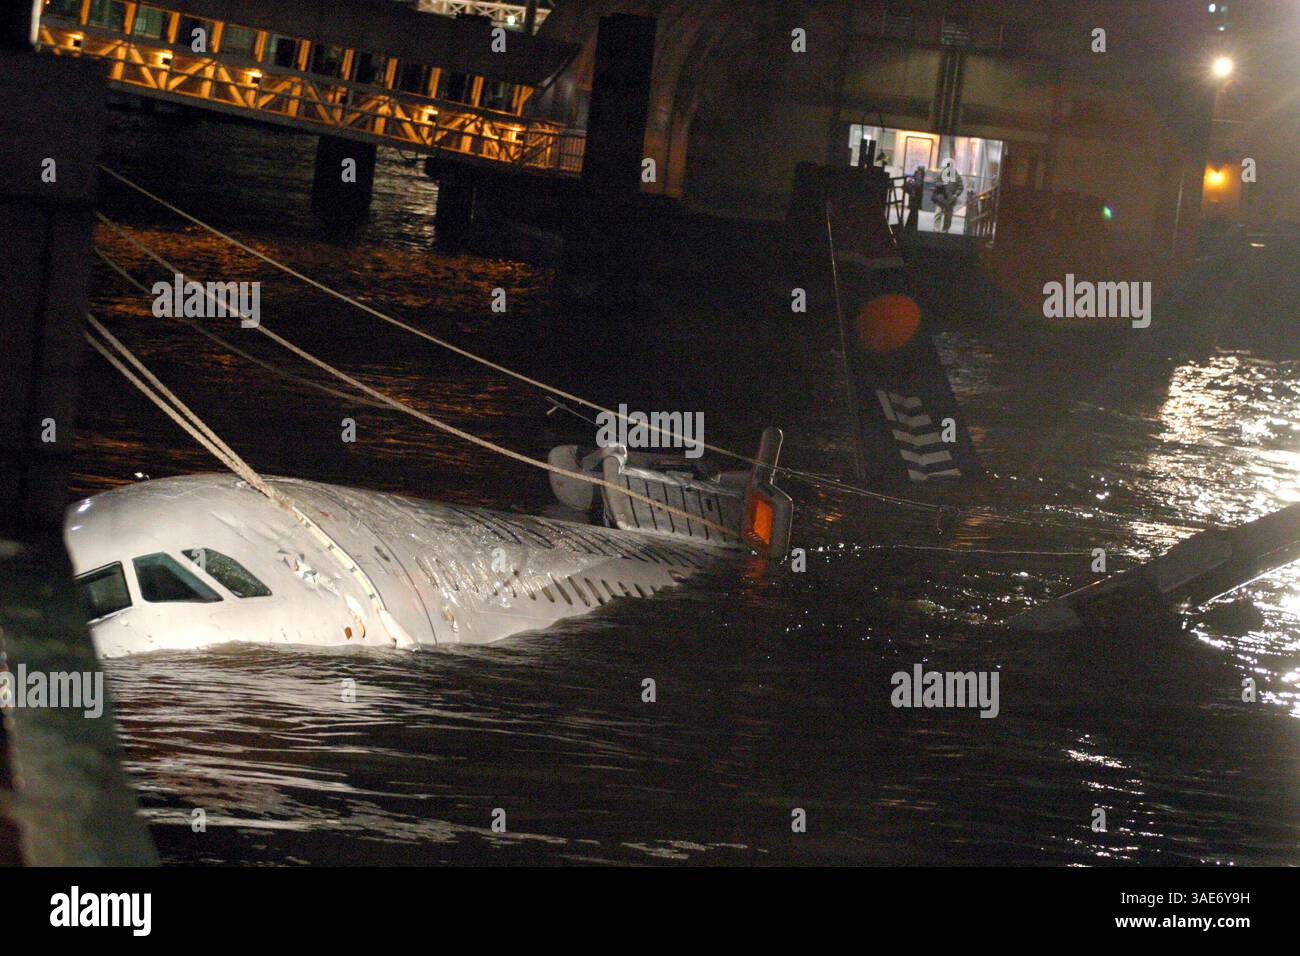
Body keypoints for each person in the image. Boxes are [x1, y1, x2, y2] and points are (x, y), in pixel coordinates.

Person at [932, 164, 965, 233]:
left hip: (951, 199)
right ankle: (936, 229)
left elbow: (960, 187)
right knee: (938, 214)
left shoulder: (957, 176)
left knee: (948, 216)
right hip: (941, 197)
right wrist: (941, 184)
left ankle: (945, 230)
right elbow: (935, 182)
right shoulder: (941, 174)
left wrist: (956, 194)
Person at [903, 165, 925, 234]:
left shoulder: (916, 174)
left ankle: (909, 226)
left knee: (913, 212)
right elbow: (918, 184)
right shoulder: (919, 174)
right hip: (915, 196)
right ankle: (912, 227)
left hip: (914, 196)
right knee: (914, 212)